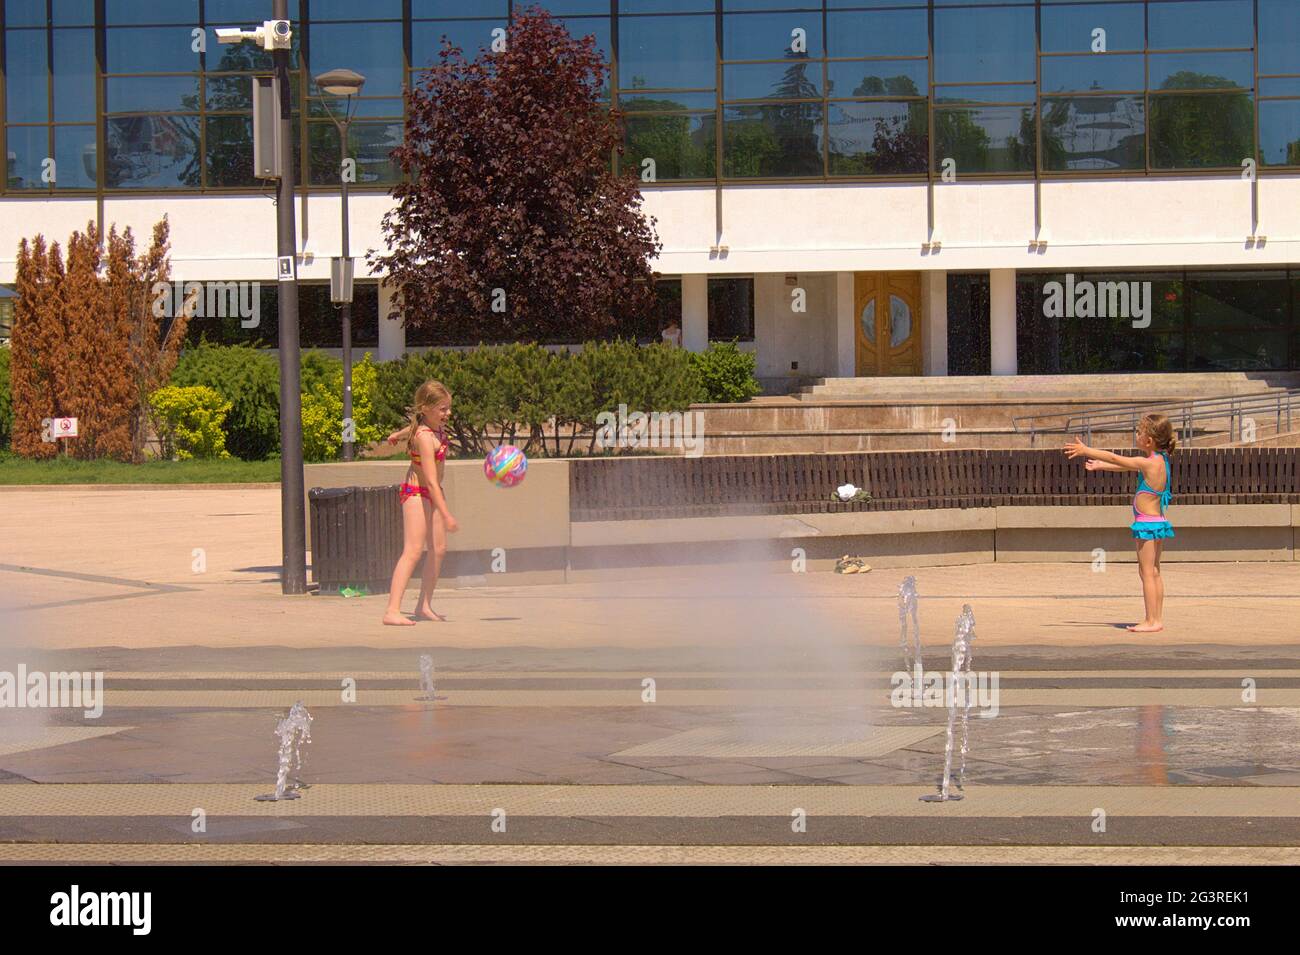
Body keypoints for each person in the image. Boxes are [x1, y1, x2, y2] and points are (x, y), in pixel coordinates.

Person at [1064, 413, 1176, 633]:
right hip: (1158, 522)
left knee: (1146, 573)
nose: (1136, 435)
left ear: (1149, 440)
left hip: (1146, 525)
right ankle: (1157, 618)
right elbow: (1127, 466)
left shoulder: (1147, 462)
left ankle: (1151, 621)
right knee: (1154, 572)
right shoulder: (1159, 461)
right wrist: (1100, 466)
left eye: (1139, 432)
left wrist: (1087, 451)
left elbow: (1117, 458)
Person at [381, 380, 459, 626]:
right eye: (443, 409)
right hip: (416, 492)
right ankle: (392, 611)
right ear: (426, 408)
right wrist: (446, 514)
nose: (448, 413)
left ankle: (424, 605)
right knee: (413, 550)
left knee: (439, 549)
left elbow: (411, 427)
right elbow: (433, 482)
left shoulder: (430, 426)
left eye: (448, 408)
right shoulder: (426, 437)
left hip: (432, 493)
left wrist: (397, 434)